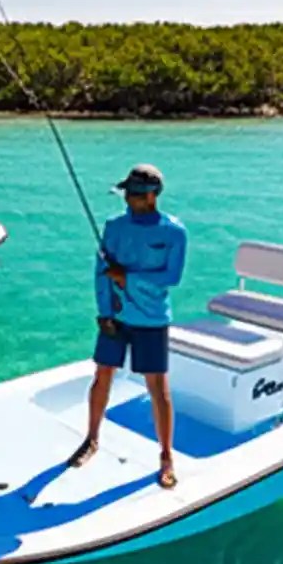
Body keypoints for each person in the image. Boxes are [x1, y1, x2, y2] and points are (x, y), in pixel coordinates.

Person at [67, 163, 187, 489]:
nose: (128, 200)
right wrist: (104, 311)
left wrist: (129, 277)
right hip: (116, 317)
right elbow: (101, 273)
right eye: (126, 193)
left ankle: (166, 457)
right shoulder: (113, 227)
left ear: (152, 196)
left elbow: (171, 277)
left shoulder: (174, 231)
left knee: (158, 388)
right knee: (102, 374)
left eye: (134, 194)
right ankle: (92, 439)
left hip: (152, 320)